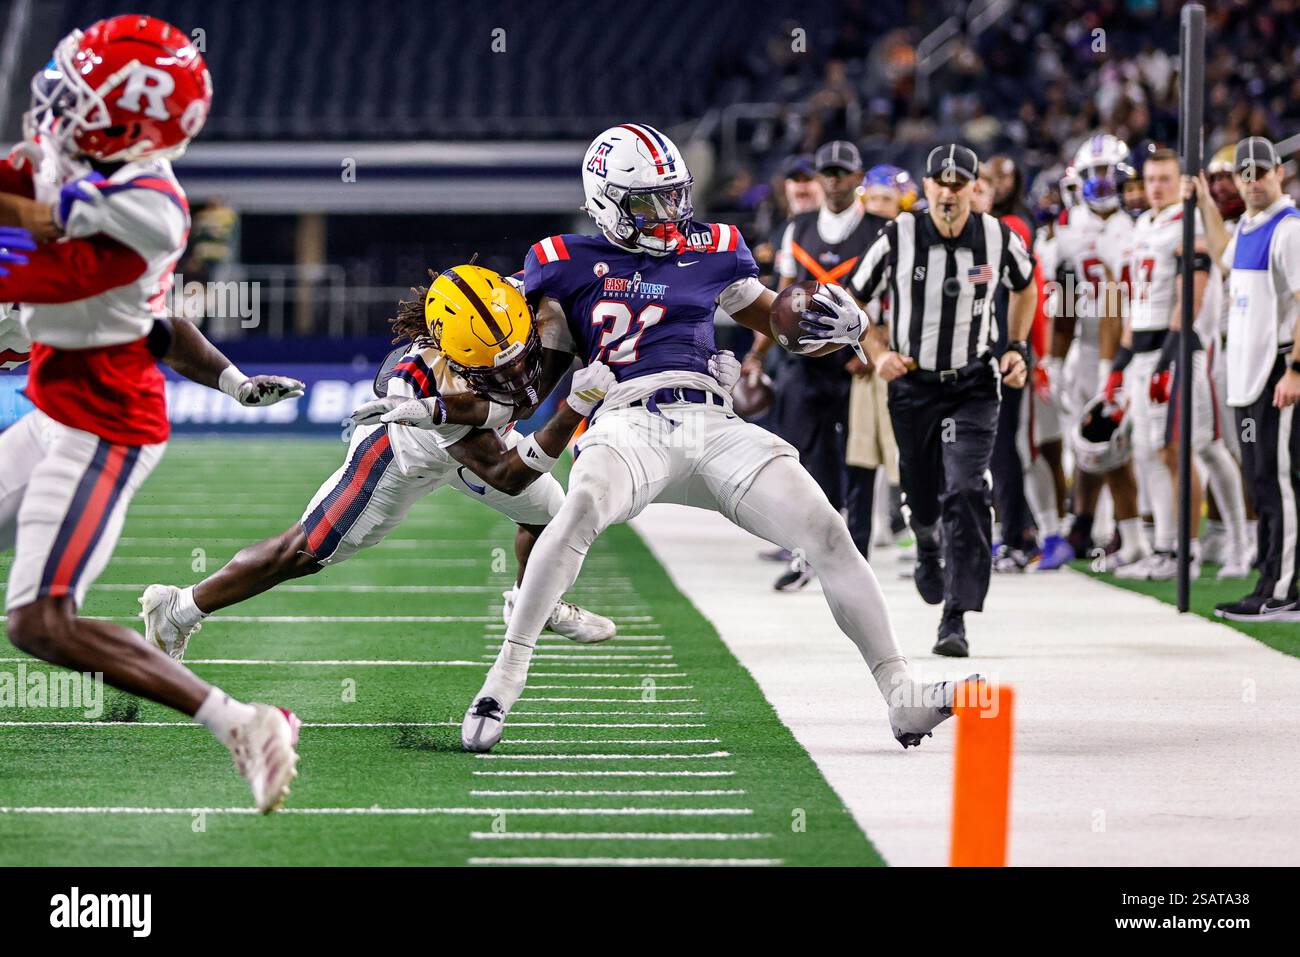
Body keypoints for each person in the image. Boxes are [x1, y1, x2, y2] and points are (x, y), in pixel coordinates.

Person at [453, 123, 968, 752]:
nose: (670, 214)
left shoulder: (714, 247)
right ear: (605, 201)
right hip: (625, 414)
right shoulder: (563, 261)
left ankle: (901, 695)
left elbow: (778, 318)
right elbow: (522, 362)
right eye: (649, 202)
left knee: (829, 531)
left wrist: (839, 322)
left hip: (714, 420)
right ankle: (503, 678)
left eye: (675, 196)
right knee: (582, 505)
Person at [0, 16, 306, 813]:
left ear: (127, 123)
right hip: (50, 409)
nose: (53, 109)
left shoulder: (149, 207)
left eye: (75, 97)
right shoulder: (84, 161)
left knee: (39, 621)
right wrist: (235, 382)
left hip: (104, 427)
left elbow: (29, 236)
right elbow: (160, 327)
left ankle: (244, 722)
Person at [139, 265, 622, 658]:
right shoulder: (430, 378)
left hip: (476, 433)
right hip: (407, 449)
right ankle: (178, 609)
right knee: (305, 552)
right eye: (497, 367)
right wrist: (573, 407)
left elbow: (518, 389)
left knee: (551, 518)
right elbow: (507, 475)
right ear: (453, 354)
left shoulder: (518, 302)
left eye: (520, 357)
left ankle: (533, 601)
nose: (517, 372)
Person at [847, 144, 1038, 656]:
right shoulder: (898, 235)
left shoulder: (997, 236)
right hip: (914, 383)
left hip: (973, 383)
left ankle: (955, 616)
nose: (949, 193)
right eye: (941, 183)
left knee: (967, 488)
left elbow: (1026, 285)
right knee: (923, 490)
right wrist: (877, 350)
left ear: (974, 189)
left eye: (960, 184)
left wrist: (1017, 347)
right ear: (926, 188)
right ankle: (925, 540)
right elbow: (854, 297)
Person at [746, 141, 887, 589]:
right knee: (803, 460)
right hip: (805, 361)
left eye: (841, 172)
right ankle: (810, 551)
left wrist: (876, 348)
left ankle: (857, 555)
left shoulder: (883, 230)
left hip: (856, 361)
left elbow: (896, 298)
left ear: (858, 177)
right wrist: (757, 352)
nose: (832, 179)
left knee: (860, 460)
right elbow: (778, 299)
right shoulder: (798, 226)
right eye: (826, 171)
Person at [1110, 147, 1247, 582]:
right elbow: (1137, 297)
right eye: (1150, 179)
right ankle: (1167, 545)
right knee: (1152, 449)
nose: (1155, 188)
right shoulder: (1144, 225)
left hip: (1183, 348)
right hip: (1147, 348)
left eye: (1164, 179)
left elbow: (1194, 291)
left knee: (1192, 447)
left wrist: (1170, 352)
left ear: (1181, 181)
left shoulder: (1187, 223)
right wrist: (1123, 359)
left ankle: (1233, 542)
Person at [1192, 137, 1300, 619]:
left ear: (1279, 171)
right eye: (1245, 173)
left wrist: (1295, 368)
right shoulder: (1251, 226)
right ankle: (1269, 578)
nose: (1253, 180)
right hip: (1246, 373)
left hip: (1276, 370)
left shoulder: (1289, 228)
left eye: (1261, 170)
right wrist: (1203, 206)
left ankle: (1283, 588)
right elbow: (1223, 258)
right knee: (1260, 480)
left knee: (1280, 481)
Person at [1053, 135, 1149, 572]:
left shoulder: (1136, 224)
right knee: (1089, 441)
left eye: (1109, 172)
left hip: (1131, 341)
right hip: (1088, 343)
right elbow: (1067, 298)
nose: (1102, 182)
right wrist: (1055, 358)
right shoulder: (1069, 228)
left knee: (1119, 441)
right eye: (1093, 173)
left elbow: (1116, 302)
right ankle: (1086, 524)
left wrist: (1114, 364)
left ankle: (1125, 531)